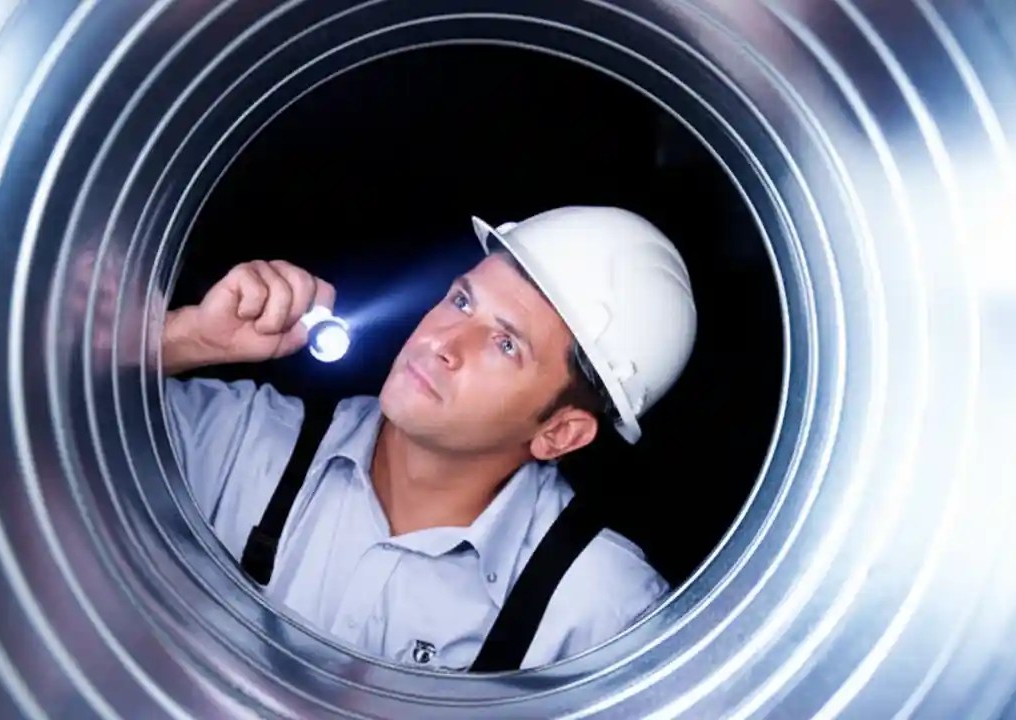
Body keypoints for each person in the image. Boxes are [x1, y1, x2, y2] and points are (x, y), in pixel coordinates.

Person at [160, 205, 698, 671]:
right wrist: (185, 338)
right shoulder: (242, 440)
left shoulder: (599, 612)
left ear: (559, 433)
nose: (444, 341)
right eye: (462, 302)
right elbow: (75, 441)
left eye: (506, 344)